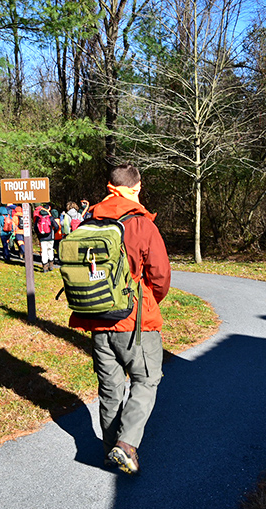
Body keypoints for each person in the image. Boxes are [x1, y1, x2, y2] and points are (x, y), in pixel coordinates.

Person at [69, 164, 171, 475]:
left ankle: (109, 450)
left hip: (96, 319)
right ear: (136, 189)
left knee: (110, 389)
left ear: (109, 186)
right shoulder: (141, 224)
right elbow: (161, 276)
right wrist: (148, 302)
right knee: (147, 378)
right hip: (134, 321)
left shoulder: (88, 221)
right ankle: (126, 446)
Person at [33, 204, 55, 271]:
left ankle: (45, 267)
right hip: (50, 237)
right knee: (50, 249)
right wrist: (52, 231)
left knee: (44, 251)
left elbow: (35, 228)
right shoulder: (50, 218)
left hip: (42, 238)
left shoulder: (38, 219)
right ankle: (51, 264)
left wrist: (39, 235)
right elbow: (56, 226)